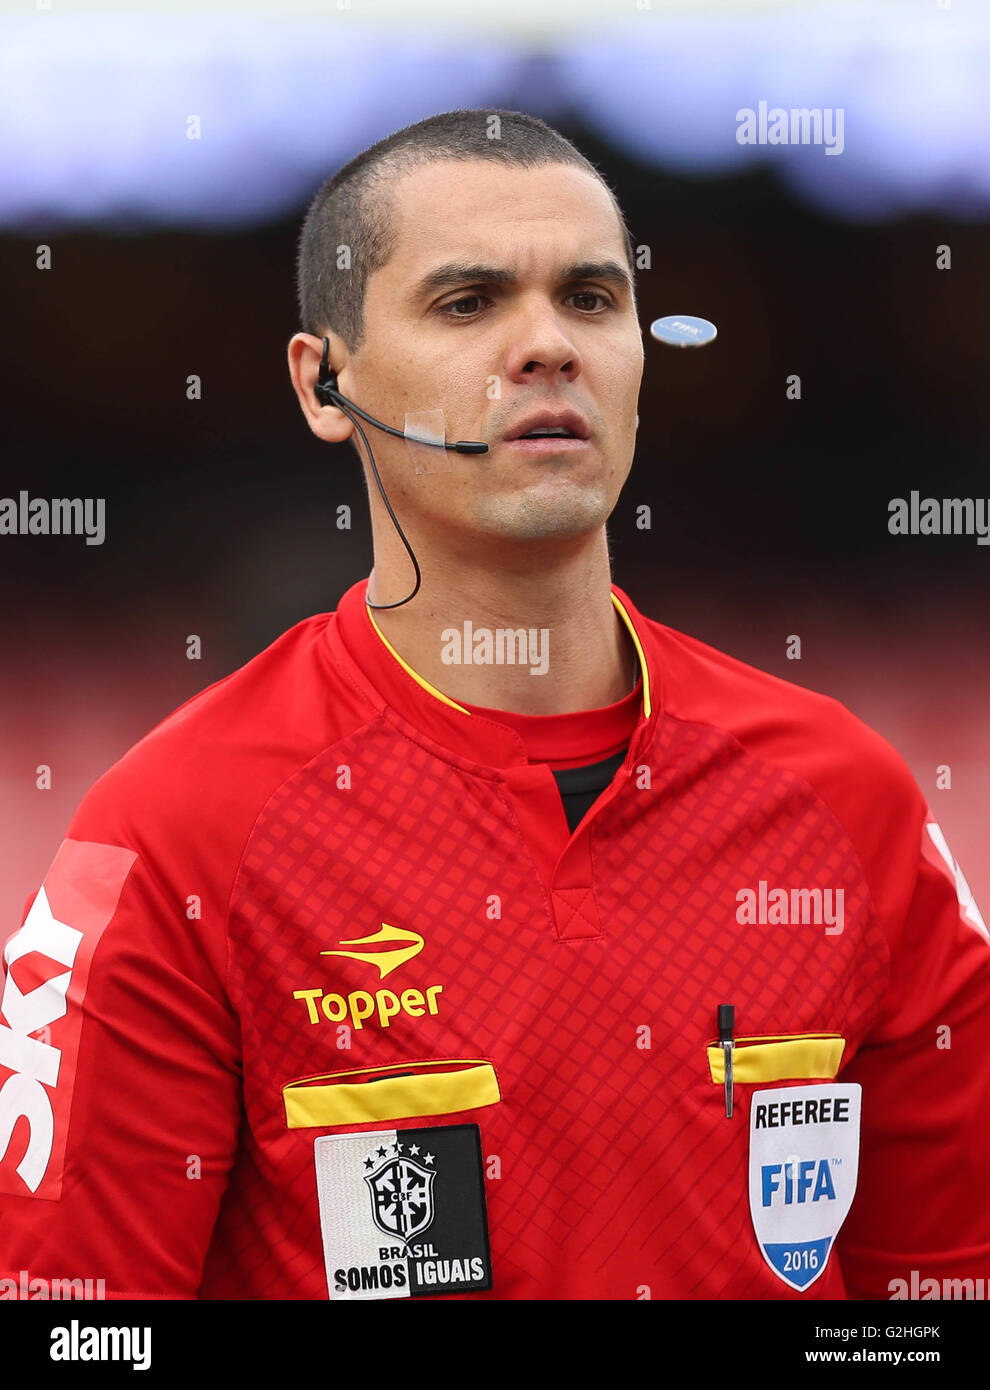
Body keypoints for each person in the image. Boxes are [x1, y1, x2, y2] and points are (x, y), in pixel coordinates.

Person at [1, 108, 988, 1302]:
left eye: (591, 299)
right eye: (468, 303)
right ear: (326, 383)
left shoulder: (849, 800)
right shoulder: (170, 834)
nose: (548, 347)